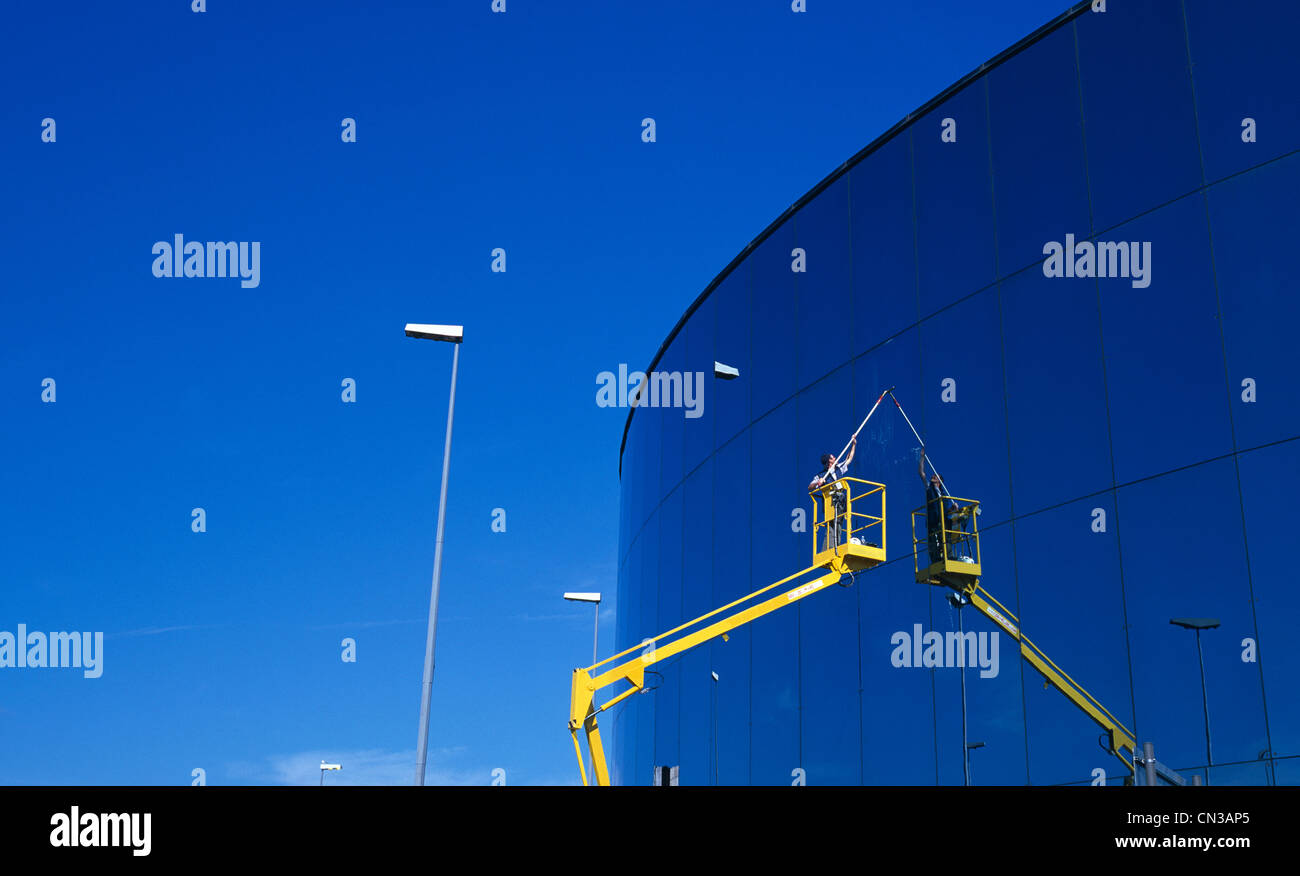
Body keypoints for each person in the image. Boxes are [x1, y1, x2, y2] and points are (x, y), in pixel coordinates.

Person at [809, 435, 856, 552]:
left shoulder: (839, 468)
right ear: (829, 461)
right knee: (832, 525)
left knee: (839, 525)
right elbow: (810, 487)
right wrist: (818, 483)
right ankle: (829, 549)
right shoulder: (820, 475)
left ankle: (835, 547)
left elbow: (849, 459)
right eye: (833, 457)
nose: (835, 458)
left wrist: (853, 444)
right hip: (830, 504)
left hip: (841, 502)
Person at [918, 448, 958, 565]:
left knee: (946, 538)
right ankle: (936, 560)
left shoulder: (943, 495)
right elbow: (921, 473)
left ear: (940, 481)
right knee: (934, 540)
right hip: (933, 520)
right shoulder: (929, 489)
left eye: (935, 476)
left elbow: (945, 510)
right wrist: (922, 458)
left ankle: (948, 557)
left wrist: (953, 508)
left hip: (943, 520)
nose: (933, 476)